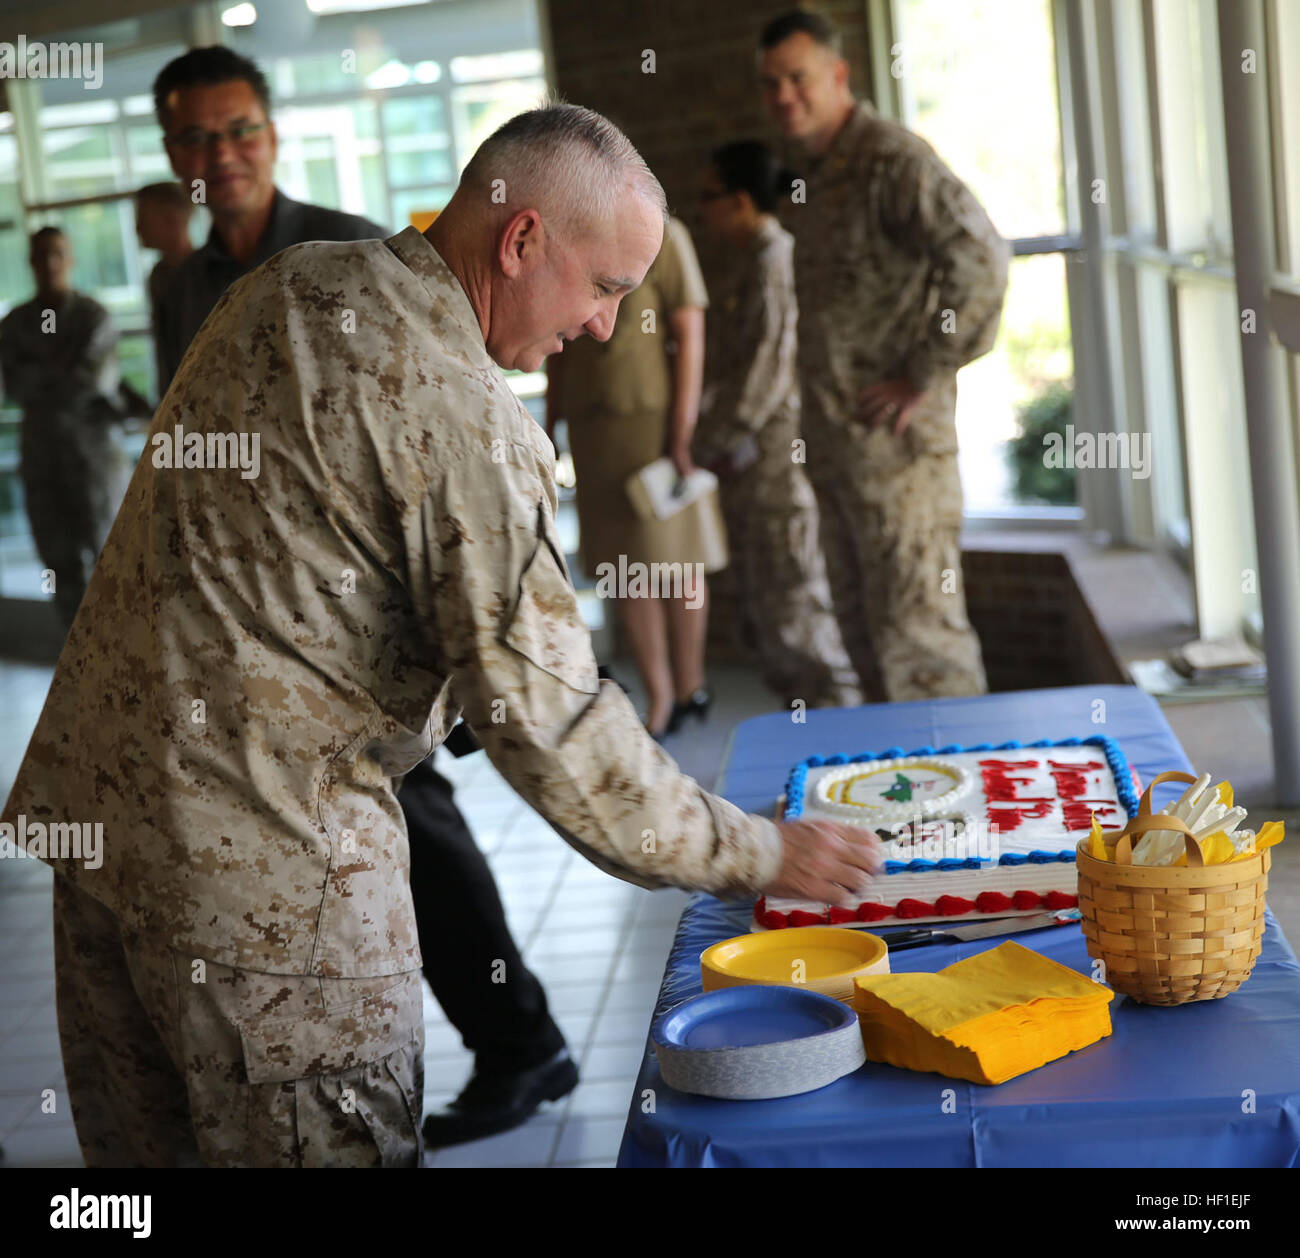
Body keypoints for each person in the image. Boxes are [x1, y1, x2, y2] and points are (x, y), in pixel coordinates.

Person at [1, 102, 880, 1168]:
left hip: (102, 843)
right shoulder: (459, 407)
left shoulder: (287, 285)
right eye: (604, 289)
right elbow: (545, 717)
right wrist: (755, 850)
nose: (603, 328)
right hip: (267, 894)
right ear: (521, 242)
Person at [146, 45, 578, 1150]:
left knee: (419, 826)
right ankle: (513, 1037)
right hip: (253, 628)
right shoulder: (175, 281)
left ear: (274, 134)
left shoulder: (338, 250)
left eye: (239, 130)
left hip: (374, 618)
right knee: (404, 831)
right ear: (169, 153)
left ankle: (520, 1039)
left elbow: (438, 431)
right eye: (195, 138)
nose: (220, 155)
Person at [758, 10, 1011, 701]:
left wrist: (921, 373)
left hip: (899, 461)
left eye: (798, 78)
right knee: (867, 646)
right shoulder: (813, 175)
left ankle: (963, 806)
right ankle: (902, 806)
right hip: (839, 455)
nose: (784, 96)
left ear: (838, 75)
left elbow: (982, 259)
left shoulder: (890, 159)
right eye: (772, 83)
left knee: (921, 647)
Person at [694, 140, 860, 711]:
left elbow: (764, 371)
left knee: (798, 613)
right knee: (770, 618)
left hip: (778, 469)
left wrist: (706, 441)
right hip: (754, 468)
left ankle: (845, 751)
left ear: (741, 201)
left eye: (711, 197)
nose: (704, 210)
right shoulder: (756, 258)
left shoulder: (772, 259)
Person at [547, 216, 720, 738]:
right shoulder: (568, 230)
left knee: (680, 562)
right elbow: (556, 338)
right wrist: (552, 423)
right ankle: (660, 695)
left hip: (656, 426)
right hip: (594, 429)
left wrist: (682, 434)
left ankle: (692, 687)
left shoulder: (667, 236)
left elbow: (690, 335)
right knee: (625, 569)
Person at [0, 227, 130, 628]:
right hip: (42, 459)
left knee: (113, 556)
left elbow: (90, 381)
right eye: (41, 255)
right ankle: (77, 659)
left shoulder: (93, 316)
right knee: (57, 563)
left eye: (57, 253)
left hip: (93, 456)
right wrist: (60, 370)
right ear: (31, 262)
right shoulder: (17, 322)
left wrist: (43, 374)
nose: (49, 262)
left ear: (71, 259)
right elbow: (15, 385)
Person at [134, 181, 194, 396]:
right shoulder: (158, 276)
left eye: (143, 219)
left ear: (172, 219)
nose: (137, 228)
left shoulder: (203, 273)